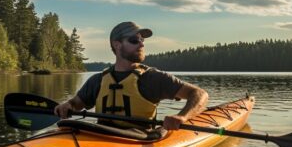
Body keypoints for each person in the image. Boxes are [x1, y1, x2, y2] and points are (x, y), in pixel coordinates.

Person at [54, 21, 208, 131]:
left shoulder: (154, 78)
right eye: (134, 40)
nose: (141, 44)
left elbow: (200, 94)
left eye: (142, 40)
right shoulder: (98, 80)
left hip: (139, 140)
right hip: (100, 136)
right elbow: (76, 104)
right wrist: (67, 105)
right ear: (117, 45)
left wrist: (182, 117)